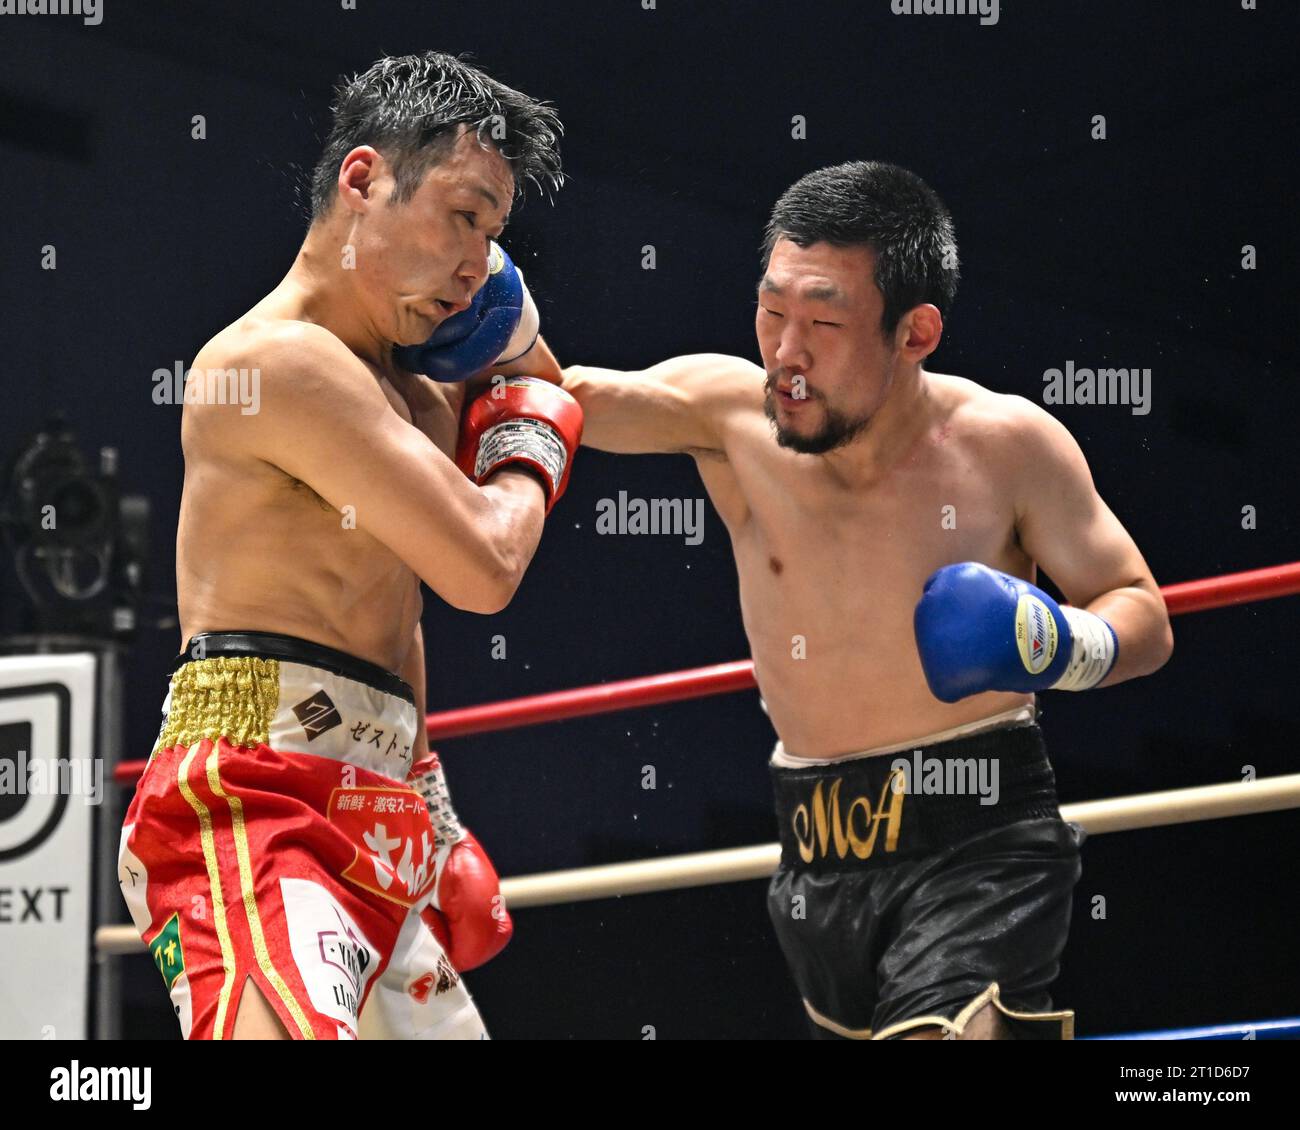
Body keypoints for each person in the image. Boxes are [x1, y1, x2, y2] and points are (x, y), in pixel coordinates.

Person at [562, 161, 1172, 1040]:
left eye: (823, 323)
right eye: (772, 312)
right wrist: (472, 326)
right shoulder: (726, 415)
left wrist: (1054, 641)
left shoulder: (1007, 446)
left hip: (980, 840)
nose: (786, 354)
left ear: (915, 332)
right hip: (814, 853)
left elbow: (1141, 615)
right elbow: (557, 401)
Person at [117, 51, 582, 1040]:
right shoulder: (277, 363)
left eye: (496, 237)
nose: (479, 264)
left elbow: (396, 620)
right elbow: (485, 565)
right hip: (252, 795)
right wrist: (530, 439)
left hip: (379, 803)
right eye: (464, 215)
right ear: (363, 177)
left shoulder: (411, 396)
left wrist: (434, 811)